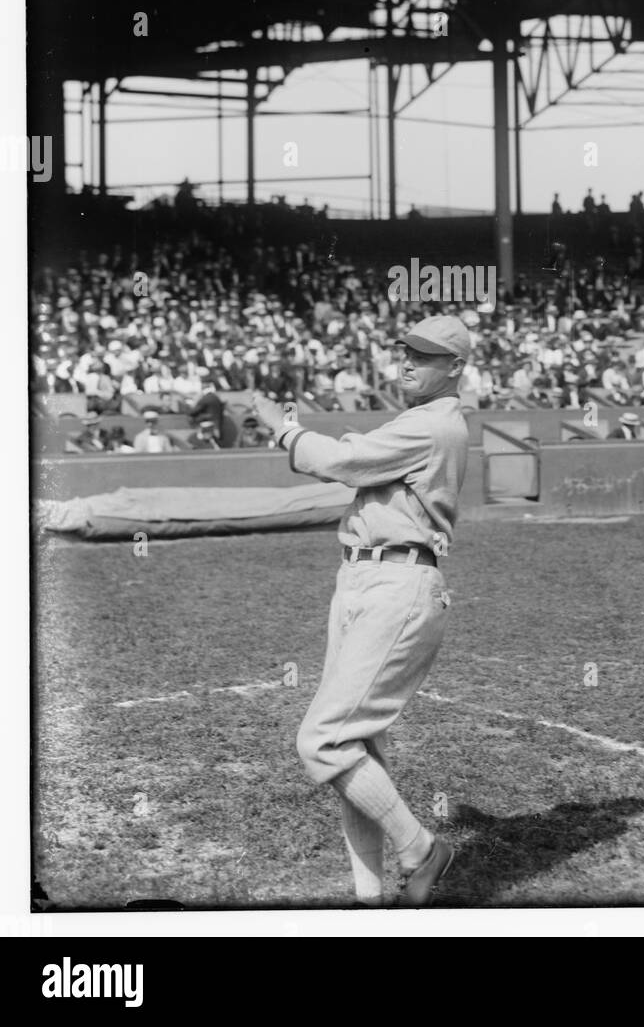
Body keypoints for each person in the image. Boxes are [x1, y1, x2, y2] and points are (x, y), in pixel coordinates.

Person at [251, 314, 470, 909]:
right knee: (358, 745)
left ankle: (423, 850)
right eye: (405, 350)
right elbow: (359, 456)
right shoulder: (417, 419)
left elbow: (346, 462)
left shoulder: (434, 425)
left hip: (397, 583)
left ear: (455, 367)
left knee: (322, 742)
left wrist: (285, 430)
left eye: (423, 356)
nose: (406, 362)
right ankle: (368, 901)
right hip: (363, 577)